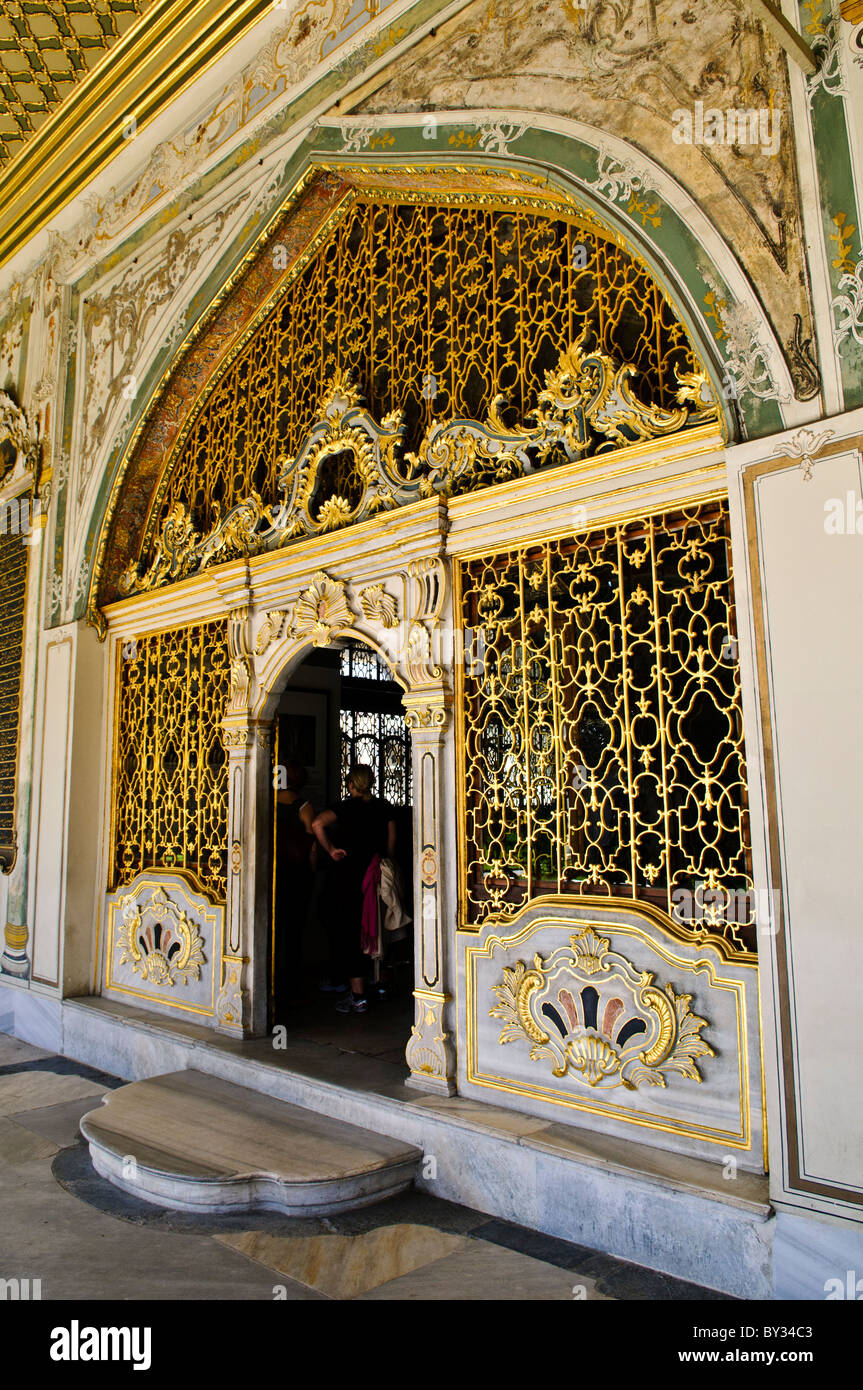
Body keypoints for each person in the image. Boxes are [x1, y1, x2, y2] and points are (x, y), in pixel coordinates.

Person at [312, 764, 396, 1014]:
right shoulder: (384, 807)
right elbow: (392, 839)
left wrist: (331, 850)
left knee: (351, 931)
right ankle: (380, 983)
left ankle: (357, 995)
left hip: (348, 876)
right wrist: (387, 862)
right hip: (376, 873)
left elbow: (317, 824)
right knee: (381, 929)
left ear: (351, 784)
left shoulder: (343, 808)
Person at [274, 760, 315, 1009]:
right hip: (297, 874)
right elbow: (311, 845)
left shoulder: (269, 801)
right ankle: (293, 977)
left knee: (274, 924)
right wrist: (313, 870)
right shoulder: (304, 806)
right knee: (295, 926)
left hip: (273, 871)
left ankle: (273, 974)